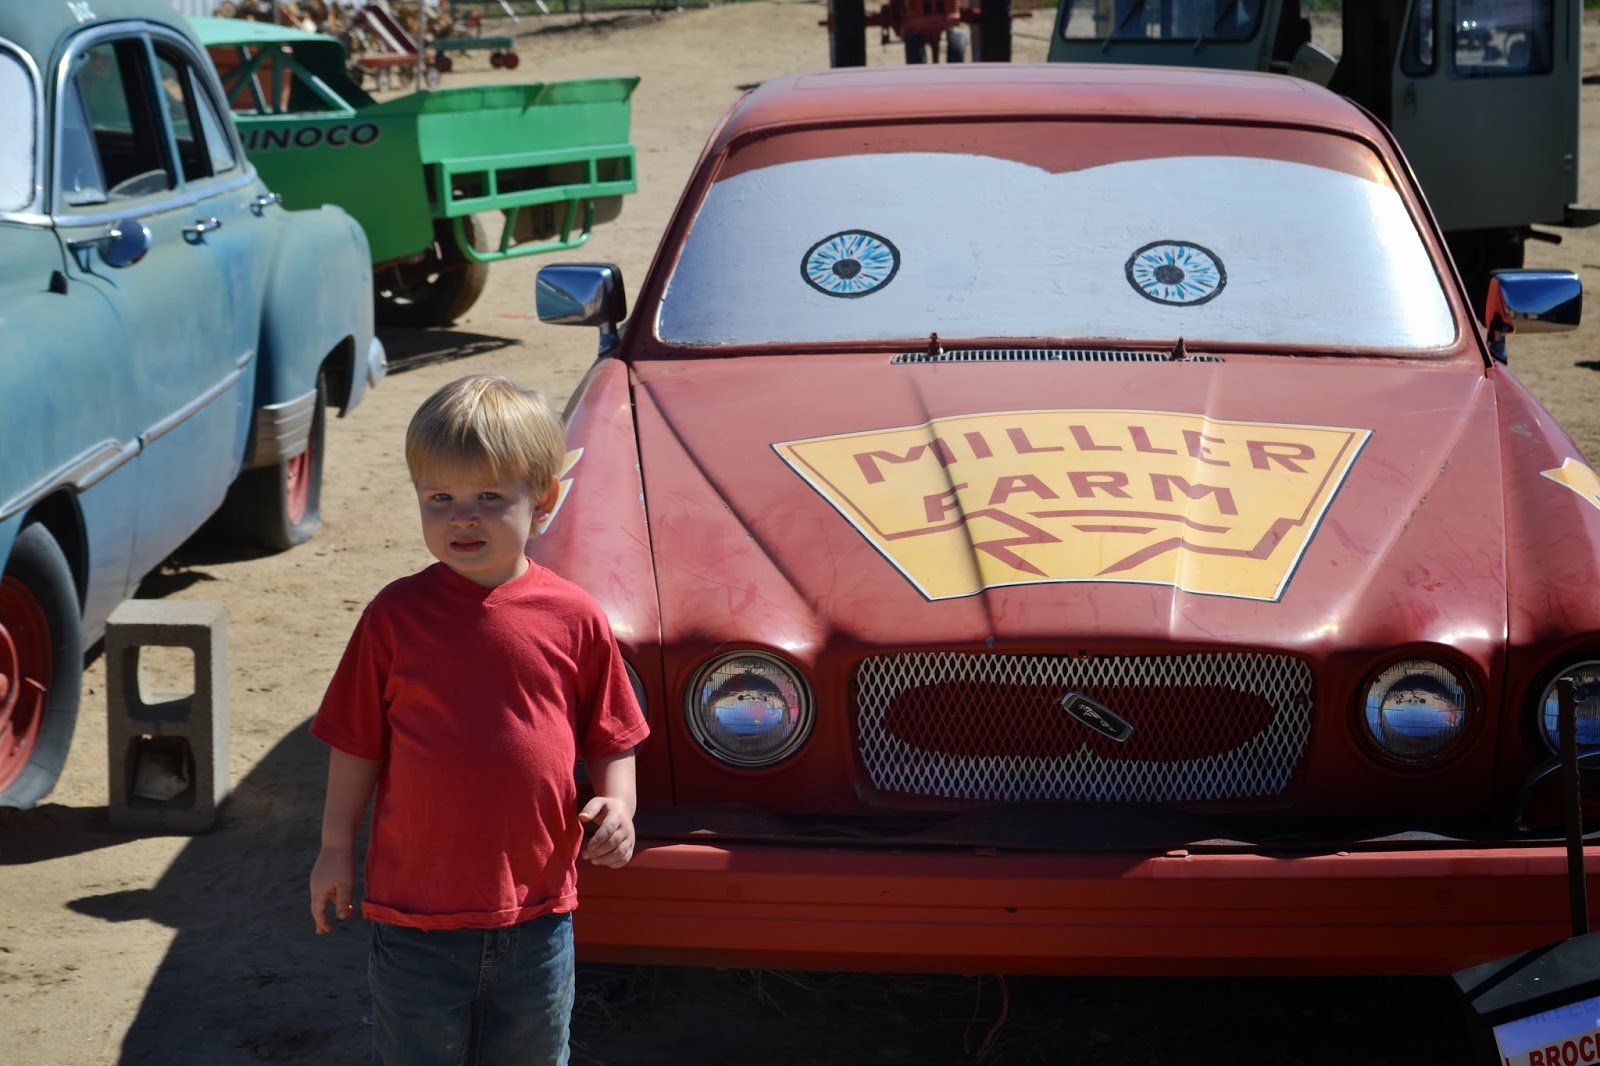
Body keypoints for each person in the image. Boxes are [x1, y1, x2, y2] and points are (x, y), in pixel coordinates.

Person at [307, 373, 649, 1066]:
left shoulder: (574, 617)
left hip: (539, 918)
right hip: (415, 922)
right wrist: (335, 847)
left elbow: (612, 733)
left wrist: (620, 804)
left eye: (489, 497)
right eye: (440, 498)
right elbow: (356, 744)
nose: (462, 517)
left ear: (543, 500)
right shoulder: (394, 617)